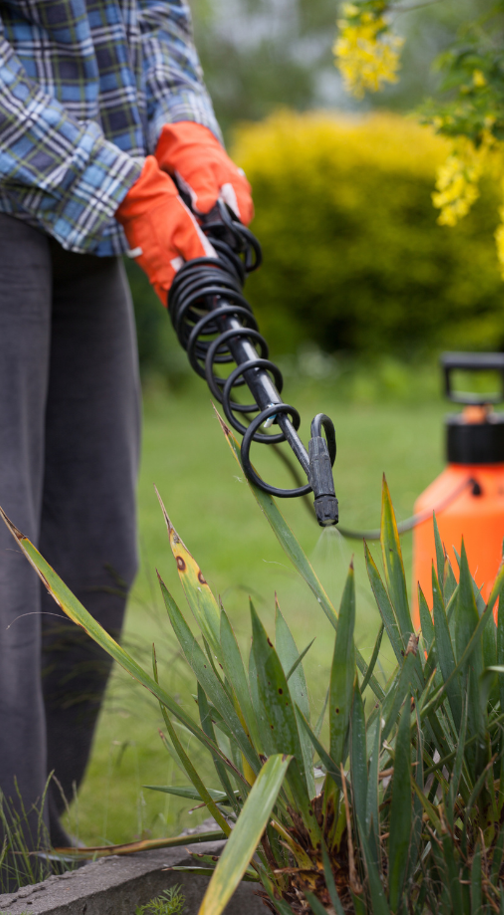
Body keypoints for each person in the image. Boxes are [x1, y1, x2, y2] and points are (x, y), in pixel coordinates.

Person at [0, 0, 252, 850]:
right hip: (45, 183)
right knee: (4, 560)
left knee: (93, 549)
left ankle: (39, 832)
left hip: (91, 203)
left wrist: (184, 126)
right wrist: (121, 182)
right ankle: (11, 857)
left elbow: (148, 16)